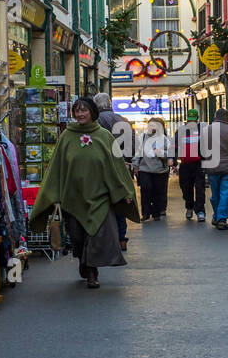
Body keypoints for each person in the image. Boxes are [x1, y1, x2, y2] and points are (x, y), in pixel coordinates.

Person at [29, 96, 139, 288]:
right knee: (77, 236)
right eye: (77, 110)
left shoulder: (104, 136)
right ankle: (82, 259)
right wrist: (51, 195)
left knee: (95, 235)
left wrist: (124, 193)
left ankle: (91, 271)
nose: (80, 114)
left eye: (84, 110)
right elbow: (56, 168)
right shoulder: (66, 137)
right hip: (73, 197)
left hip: (100, 198)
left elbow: (116, 166)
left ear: (92, 112)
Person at [93, 91, 133, 249]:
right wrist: (128, 161)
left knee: (102, 202)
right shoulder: (122, 119)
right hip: (122, 165)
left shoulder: (96, 121)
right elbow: (131, 142)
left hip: (103, 167)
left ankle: (106, 238)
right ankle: (122, 238)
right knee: (120, 202)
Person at [204, 108, 228, 231]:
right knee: (226, 194)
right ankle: (221, 219)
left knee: (215, 194)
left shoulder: (207, 130)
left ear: (215, 117)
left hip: (212, 168)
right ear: (227, 118)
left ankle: (217, 216)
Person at [132, 115, 172, 221]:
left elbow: (170, 154)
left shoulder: (164, 139)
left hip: (160, 170)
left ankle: (156, 212)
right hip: (144, 169)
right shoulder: (143, 137)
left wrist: (161, 153)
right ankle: (145, 212)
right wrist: (135, 165)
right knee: (145, 189)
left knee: (158, 192)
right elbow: (138, 152)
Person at [176, 107, 205, 222]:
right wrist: (172, 160)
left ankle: (200, 211)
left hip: (198, 164)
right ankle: (189, 206)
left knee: (200, 188)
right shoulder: (181, 131)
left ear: (197, 119)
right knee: (185, 188)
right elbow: (174, 145)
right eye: (190, 120)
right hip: (185, 164)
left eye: (193, 120)